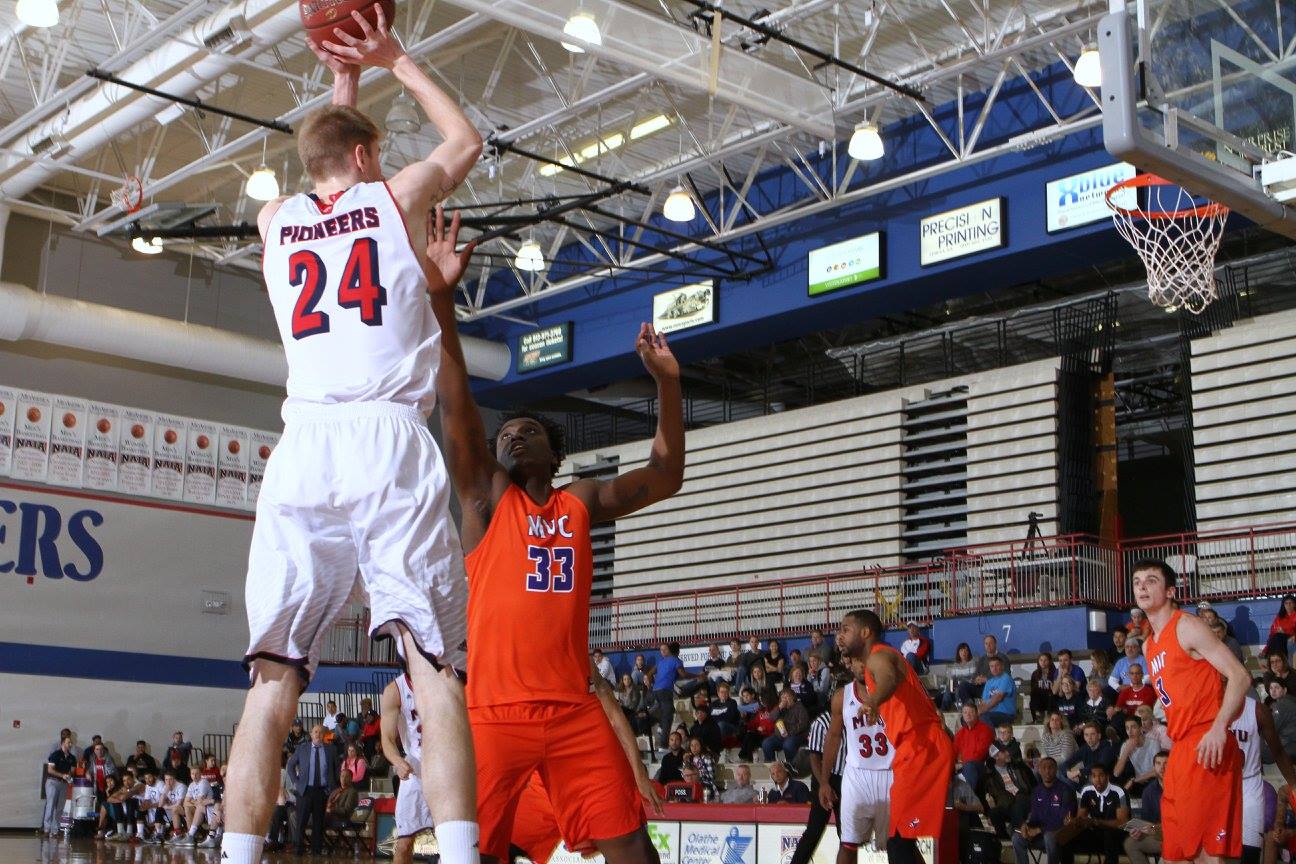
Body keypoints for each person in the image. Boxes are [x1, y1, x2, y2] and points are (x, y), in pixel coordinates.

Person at [221, 11, 483, 864]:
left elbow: (329, 148)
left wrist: (342, 81)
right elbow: (465, 140)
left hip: (303, 445)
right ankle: (460, 854)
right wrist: (390, 56)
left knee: (273, 679)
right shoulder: (395, 198)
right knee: (432, 665)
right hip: (385, 438)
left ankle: (235, 856)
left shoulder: (275, 220)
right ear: (369, 156)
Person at [429, 202, 680, 864]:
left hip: (573, 710)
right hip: (495, 712)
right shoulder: (485, 500)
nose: (513, 435)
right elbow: (456, 405)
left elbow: (665, 476)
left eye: (529, 430)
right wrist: (442, 301)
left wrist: (669, 387)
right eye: (506, 433)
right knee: (476, 852)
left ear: (554, 453)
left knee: (634, 849)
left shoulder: (579, 502)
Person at [1135, 558, 1252, 864]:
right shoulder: (1148, 646)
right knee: (1176, 852)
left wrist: (1218, 727)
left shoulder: (1187, 626)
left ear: (1170, 591)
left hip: (1206, 740)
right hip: (1181, 748)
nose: (1142, 586)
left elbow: (1240, 676)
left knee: (1206, 853)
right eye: (1137, 582)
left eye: (1151, 580)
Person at [835, 609, 954, 863]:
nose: (839, 636)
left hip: (923, 747)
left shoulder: (879, 656)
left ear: (865, 633)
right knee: (900, 839)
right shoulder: (876, 661)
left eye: (845, 629)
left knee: (898, 839)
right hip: (914, 749)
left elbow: (888, 679)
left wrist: (874, 701)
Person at [820, 657, 894, 861]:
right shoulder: (842, 697)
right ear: (849, 664)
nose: (862, 666)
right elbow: (833, 737)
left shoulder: (891, 693)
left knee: (901, 846)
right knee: (848, 844)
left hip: (891, 773)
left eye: (866, 661)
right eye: (857, 661)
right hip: (857, 776)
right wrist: (824, 781)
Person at [1233, 693, 1296, 864]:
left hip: (1250, 782)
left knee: (1250, 852)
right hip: (1219, 785)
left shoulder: (1258, 710)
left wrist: (1294, 784)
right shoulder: (1206, 707)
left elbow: (1278, 751)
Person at [790, 703, 847, 864]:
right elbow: (814, 757)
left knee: (845, 833)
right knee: (814, 830)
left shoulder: (852, 719)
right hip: (824, 777)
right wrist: (824, 784)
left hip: (846, 779)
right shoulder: (821, 722)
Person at [1011, 756, 1077, 864]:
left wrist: (1039, 830)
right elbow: (1034, 817)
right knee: (1017, 838)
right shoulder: (1036, 791)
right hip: (1039, 836)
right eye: (1044, 768)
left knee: (1049, 836)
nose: (1047, 771)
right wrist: (1026, 826)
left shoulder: (1066, 791)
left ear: (1056, 770)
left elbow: (1064, 821)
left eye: (1050, 767)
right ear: (1039, 770)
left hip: (1058, 836)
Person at [286, 724, 337, 856]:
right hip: (305, 791)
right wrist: (296, 783)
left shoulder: (331, 749)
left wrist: (332, 788)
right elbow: (290, 766)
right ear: (311, 734)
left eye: (320, 732)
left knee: (318, 824)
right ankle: (298, 851)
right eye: (315, 732)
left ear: (324, 735)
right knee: (301, 822)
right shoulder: (302, 749)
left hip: (322, 791)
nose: (318, 734)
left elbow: (336, 769)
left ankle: (316, 852)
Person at [1065, 764, 1129, 864]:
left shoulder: (1118, 792)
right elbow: (1081, 818)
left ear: (1107, 777)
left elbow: (1122, 822)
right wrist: (1073, 821)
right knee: (1066, 835)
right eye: (1094, 776)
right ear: (1090, 778)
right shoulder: (1086, 790)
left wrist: (1096, 821)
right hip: (1096, 830)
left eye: (1101, 775)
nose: (1097, 780)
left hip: (1116, 832)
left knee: (1109, 835)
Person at [1123, 751, 1169, 864]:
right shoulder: (1149, 791)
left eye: (1166, 763)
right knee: (1130, 843)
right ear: (1154, 767)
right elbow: (1147, 822)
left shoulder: (1182, 786)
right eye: (1158, 763)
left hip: (1179, 833)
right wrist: (1140, 831)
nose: (1162, 767)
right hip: (1159, 833)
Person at [984, 745, 1035, 837]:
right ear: (996, 756)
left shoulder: (1019, 766)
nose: (1008, 753)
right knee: (994, 813)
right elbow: (986, 794)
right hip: (1006, 803)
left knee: (1019, 800)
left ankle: (1017, 831)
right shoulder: (990, 775)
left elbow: (1033, 784)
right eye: (1004, 752)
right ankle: (1004, 838)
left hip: (1024, 798)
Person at [1113, 717, 1159, 795]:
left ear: (1140, 728)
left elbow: (1157, 770)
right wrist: (1126, 751)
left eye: (1133, 727)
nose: (1130, 731)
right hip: (1139, 782)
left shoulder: (1153, 744)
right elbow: (1116, 773)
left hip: (1153, 779)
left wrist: (1136, 780)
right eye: (1127, 728)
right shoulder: (1126, 745)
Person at [763, 688, 810, 763]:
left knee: (788, 745)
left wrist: (789, 733)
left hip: (795, 735)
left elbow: (803, 725)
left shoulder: (800, 708)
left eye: (787, 697)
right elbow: (771, 718)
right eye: (783, 697)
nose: (785, 700)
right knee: (766, 743)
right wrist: (779, 708)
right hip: (779, 737)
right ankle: (772, 766)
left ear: (793, 698)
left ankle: (791, 765)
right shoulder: (779, 708)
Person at [954, 703, 993, 792]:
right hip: (963, 767)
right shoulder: (960, 733)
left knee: (970, 766)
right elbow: (953, 752)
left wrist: (963, 764)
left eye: (971, 712)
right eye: (965, 712)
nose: (968, 714)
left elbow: (980, 754)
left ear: (976, 714)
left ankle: (967, 797)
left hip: (979, 767)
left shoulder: (985, 730)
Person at [43, 737, 75, 838]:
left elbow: (72, 771)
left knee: (60, 807)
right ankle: (46, 829)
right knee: (50, 805)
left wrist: (69, 776)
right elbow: (50, 770)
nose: (70, 744)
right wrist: (62, 775)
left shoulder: (72, 758)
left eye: (71, 743)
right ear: (63, 743)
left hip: (64, 784)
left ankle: (55, 830)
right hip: (53, 782)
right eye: (68, 742)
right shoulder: (55, 754)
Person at [980, 656, 1018, 726]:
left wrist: (983, 710)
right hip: (991, 714)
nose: (994, 668)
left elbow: (999, 697)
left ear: (1002, 666)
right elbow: (983, 702)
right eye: (991, 666)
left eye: (997, 665)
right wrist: (976, 712)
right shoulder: (989, 682)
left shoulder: (1006, 678)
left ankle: (990, 734)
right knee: (965, 718)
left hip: (1006, 714)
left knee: (984, 717)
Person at [1266, 679, 1296, 764]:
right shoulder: (1291, 700)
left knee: (1263, 752)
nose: (1273, 691)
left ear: (1285, 690)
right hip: (1291, 741)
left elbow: (1272, 727)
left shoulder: (1281, 705)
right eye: (1271, 688)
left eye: (1277, 687)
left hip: (1291, 743)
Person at [946, 642, 979, 708]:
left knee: (959, 690)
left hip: (970, 687)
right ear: (958, 653)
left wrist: (961, 681)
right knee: (946, 693)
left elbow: (973, 678)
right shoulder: (955, 665)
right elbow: (951, 679)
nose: (964, 653)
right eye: (961, 650)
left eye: (966, 650)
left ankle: (963, 710)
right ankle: (943, 712)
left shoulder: (973, 663)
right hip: (957, 687)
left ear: (968, 652)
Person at [1030, 653, 1059, 722]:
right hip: (1039, 698)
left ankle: (1050, 719)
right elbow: (1033, 688)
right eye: (1041, 660)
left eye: (1045, 660)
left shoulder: (1055, 673)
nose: (1043, 662)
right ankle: (1037, 719)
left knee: (1051, 698)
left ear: (1050, 661)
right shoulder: (1035, 673)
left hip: (1051, 696)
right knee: (1034, 698)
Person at [1266, 595, 1296, 659]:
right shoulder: (1279, 617)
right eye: (1286, 603)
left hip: (1292, 638)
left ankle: (1278, 659)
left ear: (1294, 604)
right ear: (1283, 605)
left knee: (1279, 637)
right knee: (1276, 636)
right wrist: (1265, 649)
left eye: (1290, 603)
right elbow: (1272, 633)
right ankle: (1275, 659)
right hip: (1281, 638)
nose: (1288, 605)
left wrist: (1290, 634)